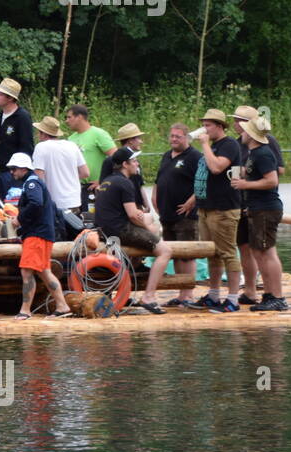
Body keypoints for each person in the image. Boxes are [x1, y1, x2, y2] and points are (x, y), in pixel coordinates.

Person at [93, 147, 172, 314]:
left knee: (150, 222)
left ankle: (125, 290)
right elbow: (133, 216)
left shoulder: (108, 180)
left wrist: (145, 220)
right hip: (120, 230)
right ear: (125, 164)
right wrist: (150, 228)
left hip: (105, 230)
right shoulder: (125, 183)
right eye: (134, 161)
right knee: (165, 251)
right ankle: (149, 297)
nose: (137, 164)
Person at [185, 109, 244, 312]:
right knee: (213, 254)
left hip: (224, 208)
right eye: (204, 124)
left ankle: (233, 299)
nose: (204, 128)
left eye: (208, 125)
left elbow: (217, 167)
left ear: (219, 126)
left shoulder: (229, 144)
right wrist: (195, 199)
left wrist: (204, 144)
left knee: (228, 253)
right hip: (206, 207)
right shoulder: (213, 146)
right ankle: (213, 295)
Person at [230, 105, 286, 304]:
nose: (235, 125)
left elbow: (273, 179)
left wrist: (246, 183)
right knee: (255, 250)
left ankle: (277, 296)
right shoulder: (250, 150)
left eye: (239, 121)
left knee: (267, 251)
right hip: (250, 206)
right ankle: (265, 294)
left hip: (264, 207)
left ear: (249, 130)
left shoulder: (264, 150)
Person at [6, 152, 71, 319]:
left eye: (14, 169)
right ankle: (62, 305)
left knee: (27, 271)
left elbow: (36, 203)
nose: (12, 172)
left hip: (37, 234)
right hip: (41, 232)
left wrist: (20, 219)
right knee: (43, 270)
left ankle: (25, 310)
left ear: (23, 168)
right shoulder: (33, 182)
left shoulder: (32, 184)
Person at [153, 124, 203, 308]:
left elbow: (203, 181)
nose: (174, 139)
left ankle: (188, 294)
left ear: (187, 138)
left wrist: (192, 200)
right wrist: (154, 195)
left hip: (186, 215)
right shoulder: (167, 155)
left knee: (187, 255)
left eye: (178, 137)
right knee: (174, 254)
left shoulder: (195, 157)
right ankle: (181, 294)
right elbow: (160, 179)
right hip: (167, 213)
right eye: (172, 136)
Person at [31, 115, 88, 214]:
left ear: (43, 133)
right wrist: (68, 177)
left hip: (54, 203)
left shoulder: (41, 147)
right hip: (74, 201)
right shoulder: (72, 145)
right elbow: (85, 173)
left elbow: (38, 177)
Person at [65, 104, 116, 211]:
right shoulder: (70, 139)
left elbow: (116, 158)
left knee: (93, 220)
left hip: (94, 187)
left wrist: (102, 180)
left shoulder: (98, 134)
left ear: (79, 117)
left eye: (69, 117)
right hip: (76, 187)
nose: (66, 121)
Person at [0, 78, 34, 197]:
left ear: (10, 98)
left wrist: (19, 171)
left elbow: (27, 147)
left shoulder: (22, 117)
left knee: (12, 206)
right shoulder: (1, 115)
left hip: (14, 173)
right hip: (1, 169)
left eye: (0, 94)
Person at [99, 124, 148, 209]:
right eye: (139, 138)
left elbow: (139, 185)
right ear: (131, 140)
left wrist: (146, 204)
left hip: (137, 206)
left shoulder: (135, 161)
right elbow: (103, 187)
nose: (141, 141)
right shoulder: (111, 161)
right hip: (121, 208)